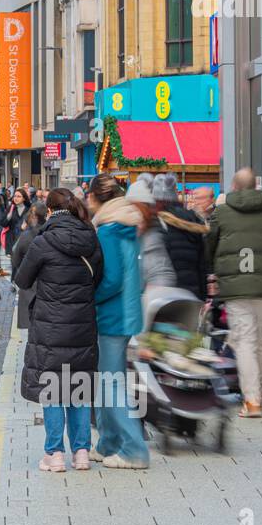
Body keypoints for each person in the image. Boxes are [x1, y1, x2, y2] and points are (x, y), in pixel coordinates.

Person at [14, 188, 102, 472]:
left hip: (49, 324)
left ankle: (55, 454)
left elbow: (22, 279)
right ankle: (82, 453)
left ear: (50, 211)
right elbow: (97, 278)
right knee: (78, 385)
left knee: (52, 388)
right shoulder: (91, 238)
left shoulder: (43, 241)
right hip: (82, 322)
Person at [205, 167, 262, 419]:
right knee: (261, 339)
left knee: (244, 341)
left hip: (234, 285)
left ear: (234, 186)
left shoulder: (220, 213)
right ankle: (259, 391)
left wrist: (213, 272)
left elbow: (210, 244)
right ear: (256, 186)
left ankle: (252, 400)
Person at [86, 174, 149, 469]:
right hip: (127, 312)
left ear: (97, 199)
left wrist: (90, 298)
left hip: (112, 315)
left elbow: (110, 279)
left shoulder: (109, 232)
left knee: (111, 384)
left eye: (89, 195)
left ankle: (135, 450)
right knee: (107, 380)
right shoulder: (127, 228)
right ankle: (108, 442)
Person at [151, 173, 208, 298]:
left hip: (167, 294)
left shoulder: (157, 222)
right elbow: (202, 264)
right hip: (192, 293)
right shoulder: (193, 219)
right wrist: (203, 296)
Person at [9, 203, 47, 336]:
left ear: (34, 216)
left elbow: (15, 259)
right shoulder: (53, 233)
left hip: (30, 286)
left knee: (32, 331)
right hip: (50, 288)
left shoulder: (26, 236)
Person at [2, 187, 31, 268]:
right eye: (15, 196)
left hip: (23, 239)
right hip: (12, 239)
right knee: (14, 265)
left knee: (23, 265)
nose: (16, 198)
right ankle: (14, 280)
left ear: (24, 198)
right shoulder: (11, 208)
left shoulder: (29, 209)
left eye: (19, 196)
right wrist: (8, 217)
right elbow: (3, 224)